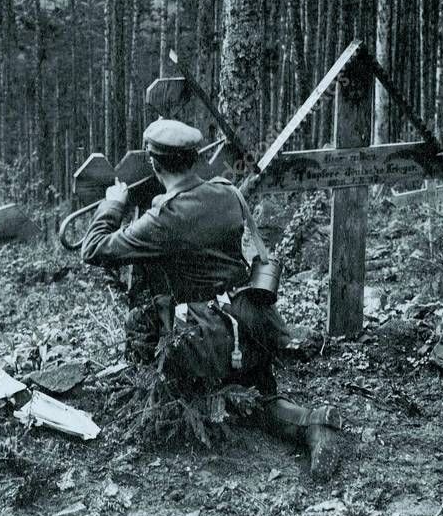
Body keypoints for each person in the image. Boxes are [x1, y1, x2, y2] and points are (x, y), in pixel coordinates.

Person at [81, 118, 342, 480]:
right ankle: (312, 422)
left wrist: (113, 205)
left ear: (154, 163)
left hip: (200, 342)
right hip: (250, 326)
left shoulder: (164, 219)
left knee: (148, 332)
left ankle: (191, 404)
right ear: (195, 159)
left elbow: (93, 249)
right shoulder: (227, 192)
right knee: (258, 397)